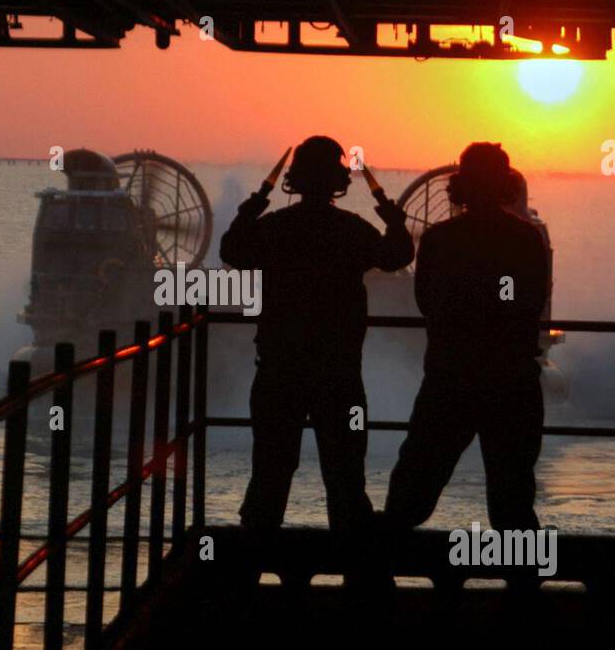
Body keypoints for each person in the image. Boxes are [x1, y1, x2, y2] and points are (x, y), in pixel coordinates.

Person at [220, 136, 414, 581]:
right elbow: (398, 255)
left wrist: (254, 203)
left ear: (293, 180)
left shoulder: (272, 229)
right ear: (339, 182)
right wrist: (391, 215)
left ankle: (247, 579)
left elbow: (232, 250)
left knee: (270, 472)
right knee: (346, 478)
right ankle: (360, 581)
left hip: (277, 372)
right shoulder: (352, 230)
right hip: (340, 375)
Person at [384, 142, 549, 534]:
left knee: (411, 492)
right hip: (512, 383)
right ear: (506, 185)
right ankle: (524, 585)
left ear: (459, 186)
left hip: (449, 379)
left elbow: (426, 301)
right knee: (513, 504)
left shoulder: (439, 239)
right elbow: (528, 302)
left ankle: (374, 577)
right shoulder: (526, 239)